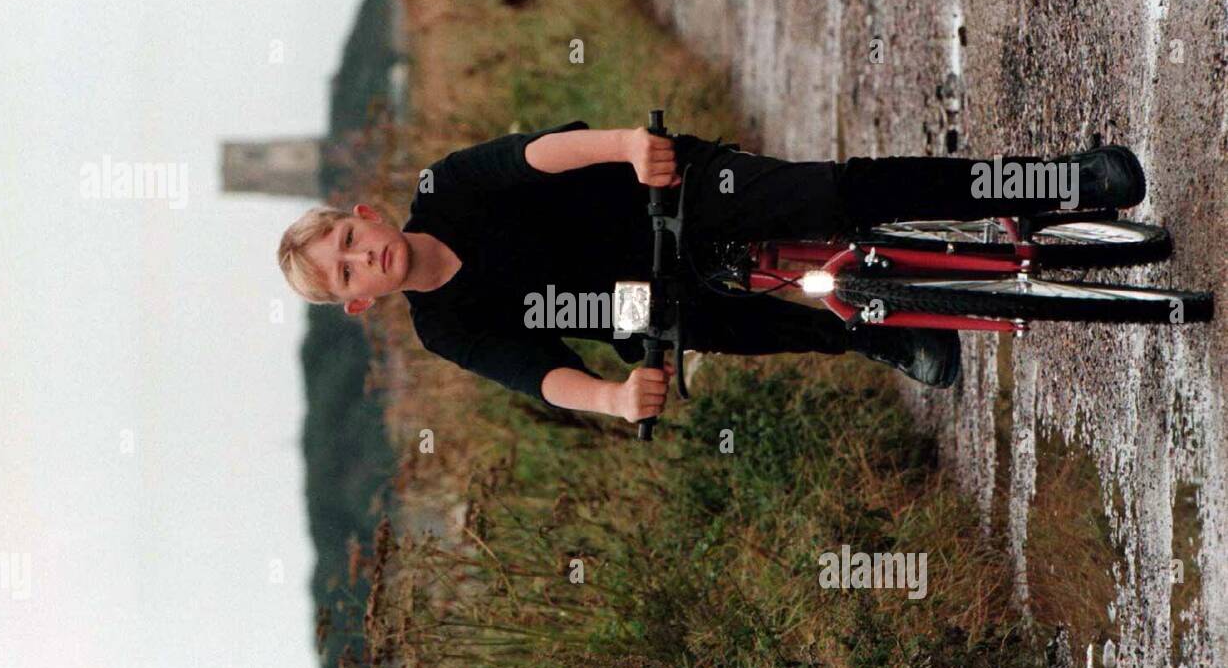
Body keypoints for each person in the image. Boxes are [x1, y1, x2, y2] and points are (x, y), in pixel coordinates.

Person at [276, 121, 1144, 424]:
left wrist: (626, 146)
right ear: (358, 302)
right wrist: (615, 398)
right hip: (639, 296)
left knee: (837, 192)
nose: (364, 258)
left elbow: (533, 157)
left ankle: (1052, 181)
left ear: (366, 216)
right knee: (704, 327)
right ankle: (876, 331)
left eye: (351, 240)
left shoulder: (445, 186)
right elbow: (541, 375)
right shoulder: (442, 327)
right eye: (348, 274)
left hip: (660, 195)